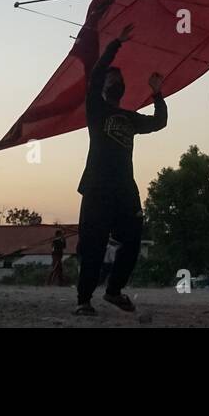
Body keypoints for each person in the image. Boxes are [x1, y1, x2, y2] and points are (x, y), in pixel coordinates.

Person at [74, 23, 167, 317]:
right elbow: (97, 73)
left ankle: (114, 290)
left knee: (133, 238)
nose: (116, 82)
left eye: (119, 79)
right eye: (111, 79)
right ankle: (84, 300)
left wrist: (157, 93)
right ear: (103, 87)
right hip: (97, 187)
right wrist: (117, 43)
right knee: (93, 243)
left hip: (125, 188)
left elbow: (159, 122)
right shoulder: (95, 109)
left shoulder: (130, 118)